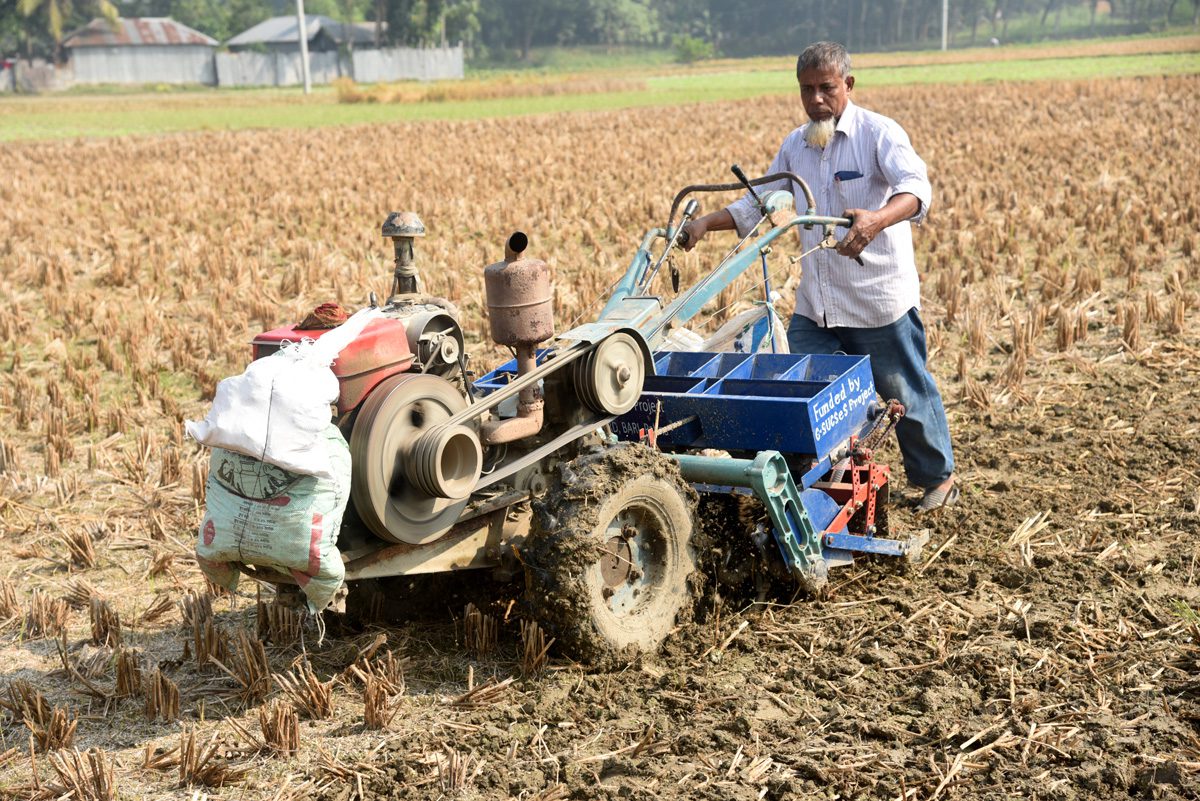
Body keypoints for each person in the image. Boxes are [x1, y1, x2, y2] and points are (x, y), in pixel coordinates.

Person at [681, 41, 958, 513]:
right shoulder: (796, 144)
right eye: (806, 90)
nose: (816, 99)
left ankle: (938, 478)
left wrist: (875, 219)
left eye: (826, 88)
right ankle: (823, 481)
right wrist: (707, 223)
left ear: (848, 85)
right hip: (818, 302)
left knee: (904, 388)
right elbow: (758, 203)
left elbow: (916, 190)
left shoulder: (878, 134)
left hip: (877, 298)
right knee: (807, 389)